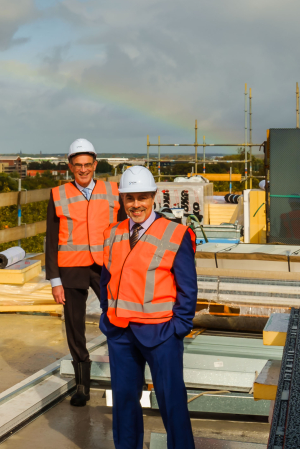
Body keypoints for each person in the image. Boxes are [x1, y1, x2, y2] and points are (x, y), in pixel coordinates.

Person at [101, 166, 197, 449]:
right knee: (124, 402)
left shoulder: (176, 234)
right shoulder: (113, 233)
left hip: (161, 332)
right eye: (129, 198)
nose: (136, 205)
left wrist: (179, 327)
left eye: (142, 197)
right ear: (122, 199)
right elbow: (107, 278)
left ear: (153, 196)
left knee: (172, 402)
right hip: (120, 331)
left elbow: (187, 287)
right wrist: (108, 317)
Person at [45, 138, 121, 406]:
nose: (83, 169)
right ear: (70, 166)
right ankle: (82, 385)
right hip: (71, 267)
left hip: (106, 267)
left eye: (87, 164)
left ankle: (123, 373)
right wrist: (55, 280)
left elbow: (124, 231)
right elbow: (51, 239)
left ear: (95, 165)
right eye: (78, 165)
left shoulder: (113, 191)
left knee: (118, 317)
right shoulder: (58, 194)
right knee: (74, 326)